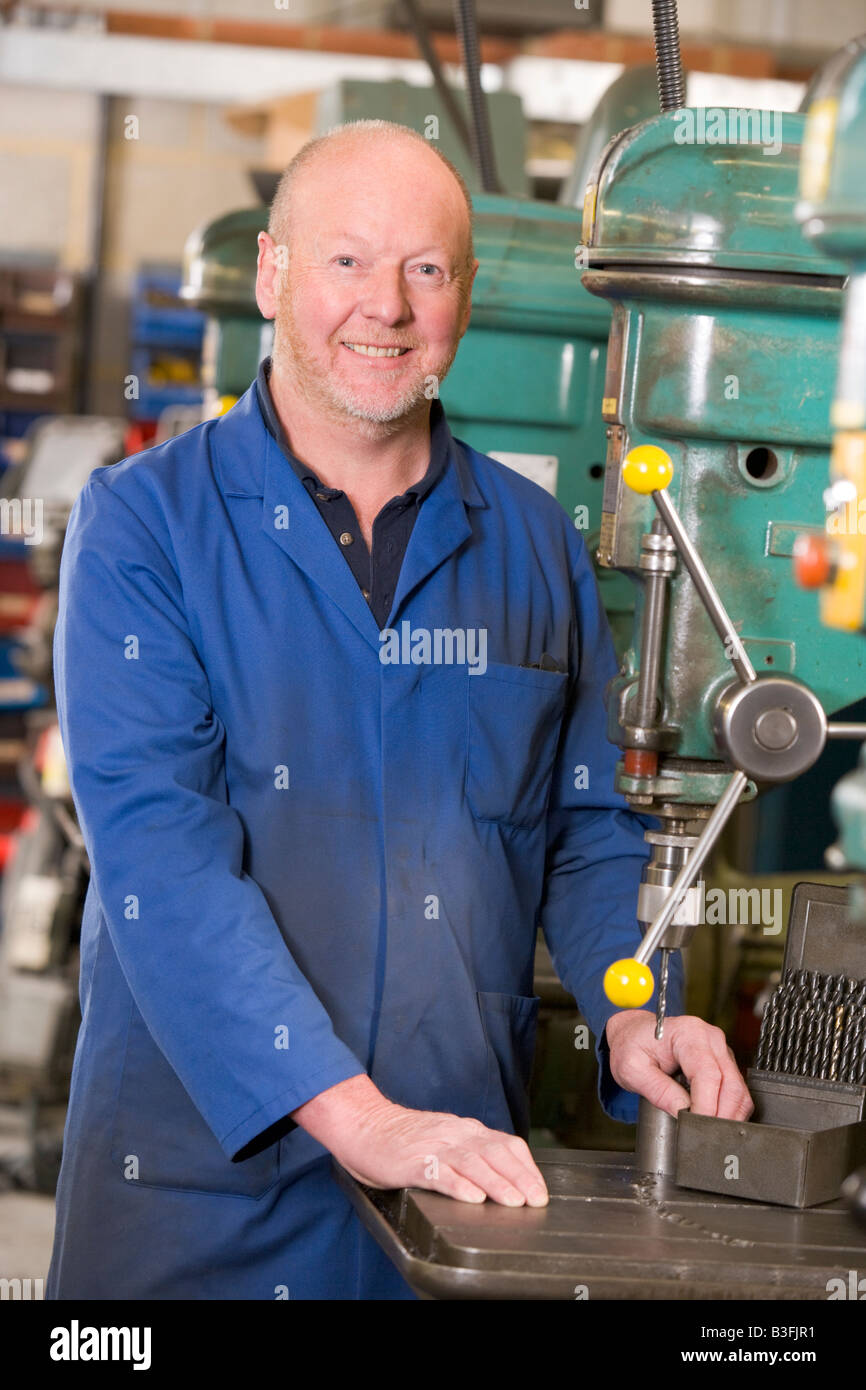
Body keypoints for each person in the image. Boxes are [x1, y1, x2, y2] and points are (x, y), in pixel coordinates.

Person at [46, 120, 751, 1301]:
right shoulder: (144, 526)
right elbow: (160, 865)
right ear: (272, 273)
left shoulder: (532, 544)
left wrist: (636, 1015)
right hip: (195, 1201)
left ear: (462, 299)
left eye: (425, 269)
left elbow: (582, 833)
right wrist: (353, 1116)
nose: (385, 306)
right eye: (345, 262)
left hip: (447, 1191)